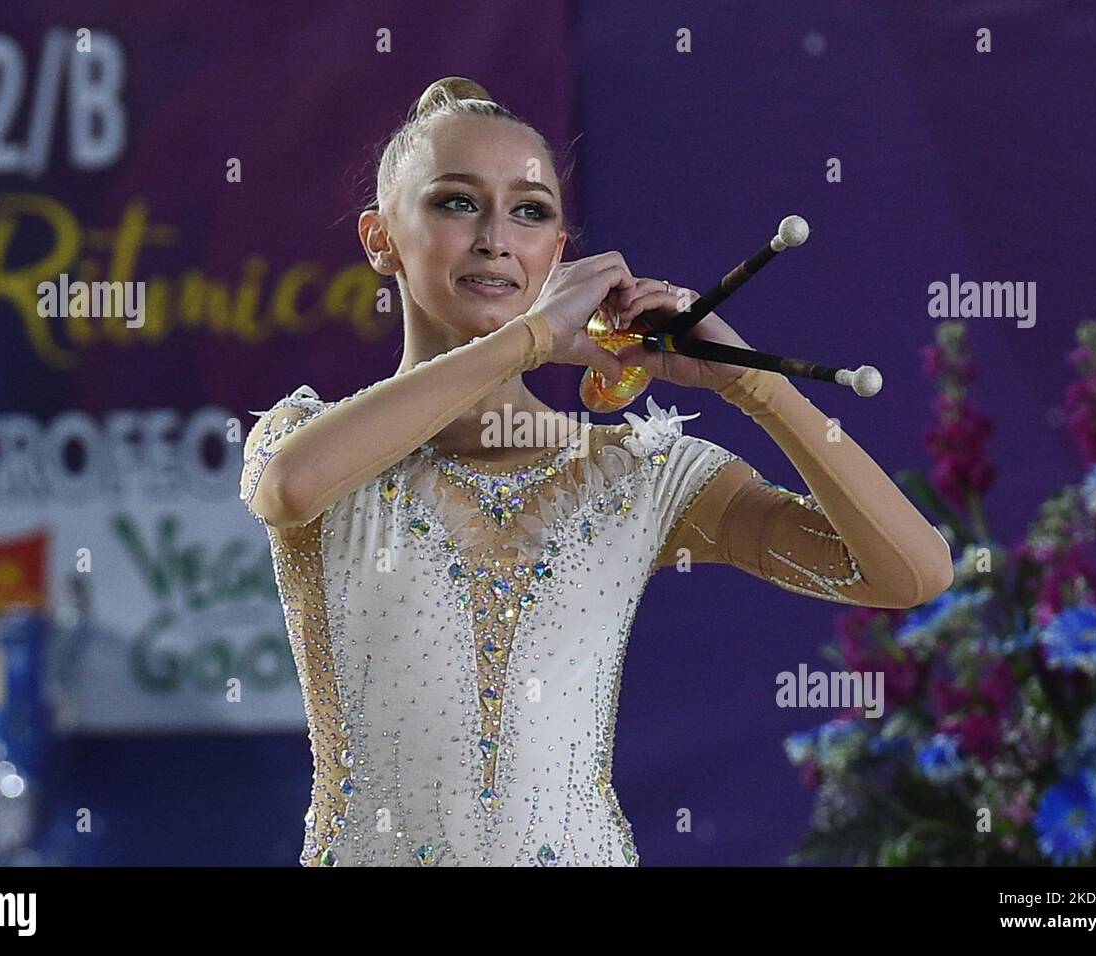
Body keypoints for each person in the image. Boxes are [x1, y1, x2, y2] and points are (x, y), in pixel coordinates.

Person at [239, 76, 953, 867]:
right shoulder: (304, 438)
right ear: (380, 239)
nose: (495, 238)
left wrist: (752, 384)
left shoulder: (636, 472)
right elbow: (290, 489)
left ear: (556, 256)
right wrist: (532, 339)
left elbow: (910, 574)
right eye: (456, 203)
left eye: (530, 211)